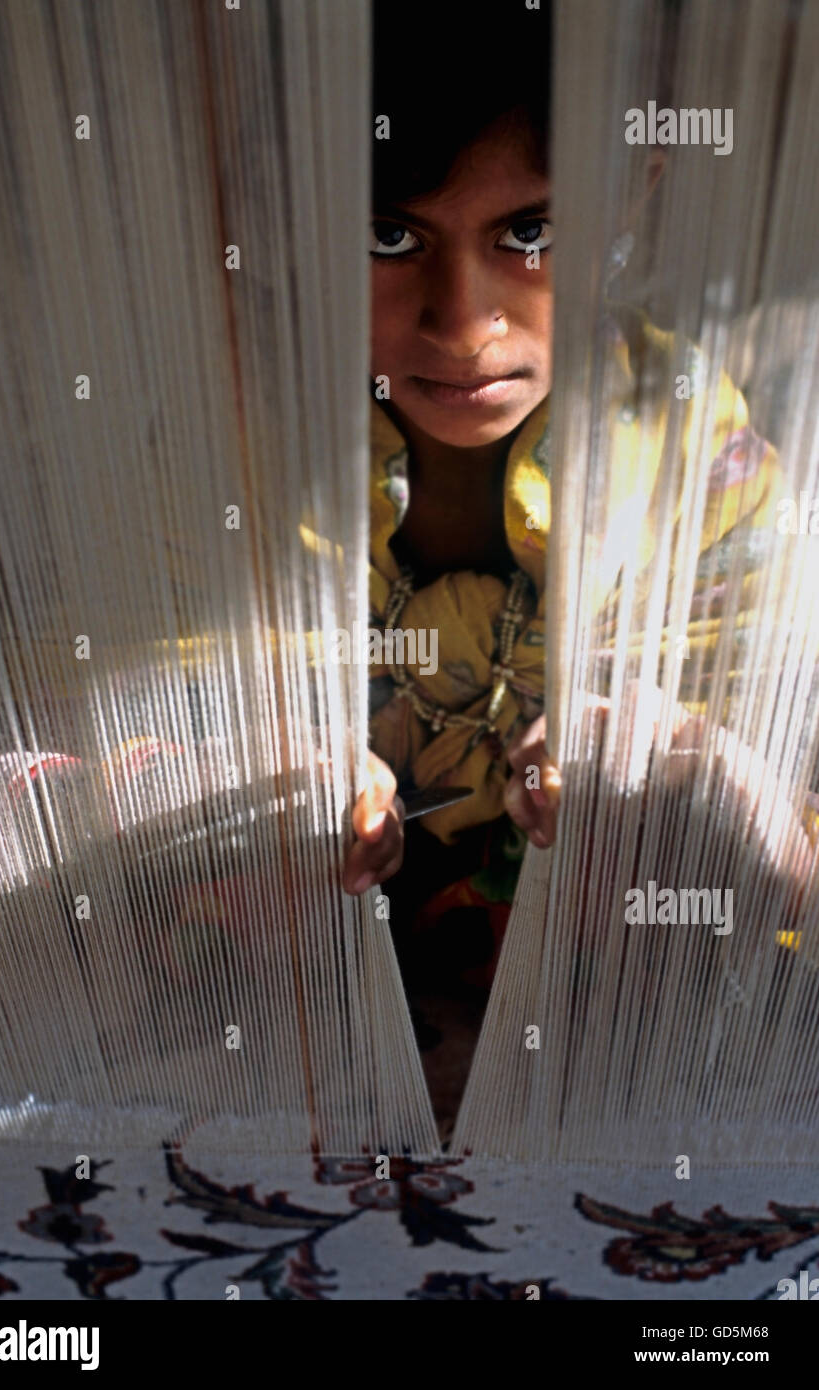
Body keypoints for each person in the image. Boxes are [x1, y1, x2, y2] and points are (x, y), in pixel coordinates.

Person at [337, 2, 813, 1044]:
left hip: (625, 1050)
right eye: (388, 234)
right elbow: (116, 767)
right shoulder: (239, 439)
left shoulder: (689, 442)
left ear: (631, 193)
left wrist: (714, 793)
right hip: (300, 1048)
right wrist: (253, 790)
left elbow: (789, 858)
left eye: (532, 234)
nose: (463, 326)